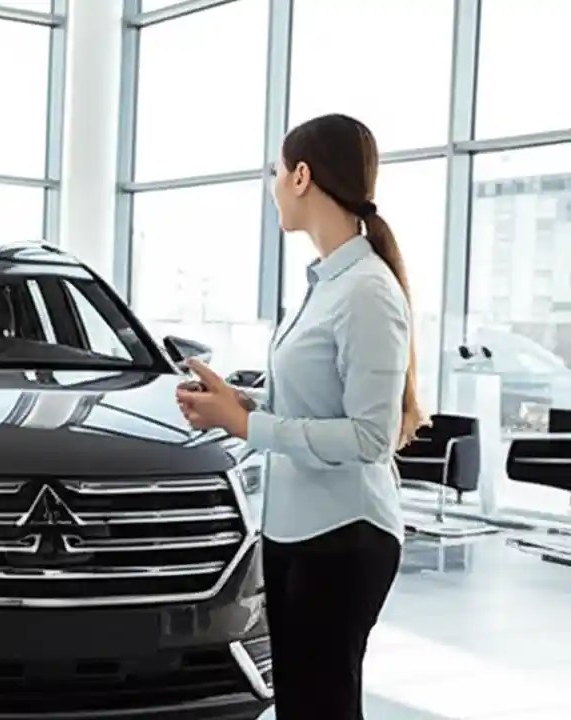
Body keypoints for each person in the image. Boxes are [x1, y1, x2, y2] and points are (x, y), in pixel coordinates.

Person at [175, 113, 414, 720]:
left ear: (302, 176)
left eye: (278, 173)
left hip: (344, 538)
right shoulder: (325, 284)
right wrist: (237, 404)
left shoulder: (367, 290)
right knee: (302, 707)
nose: (275, 186)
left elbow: (369, 437)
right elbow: (310, 410)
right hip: (296, 534)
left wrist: (245, 425)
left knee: (322, 707)